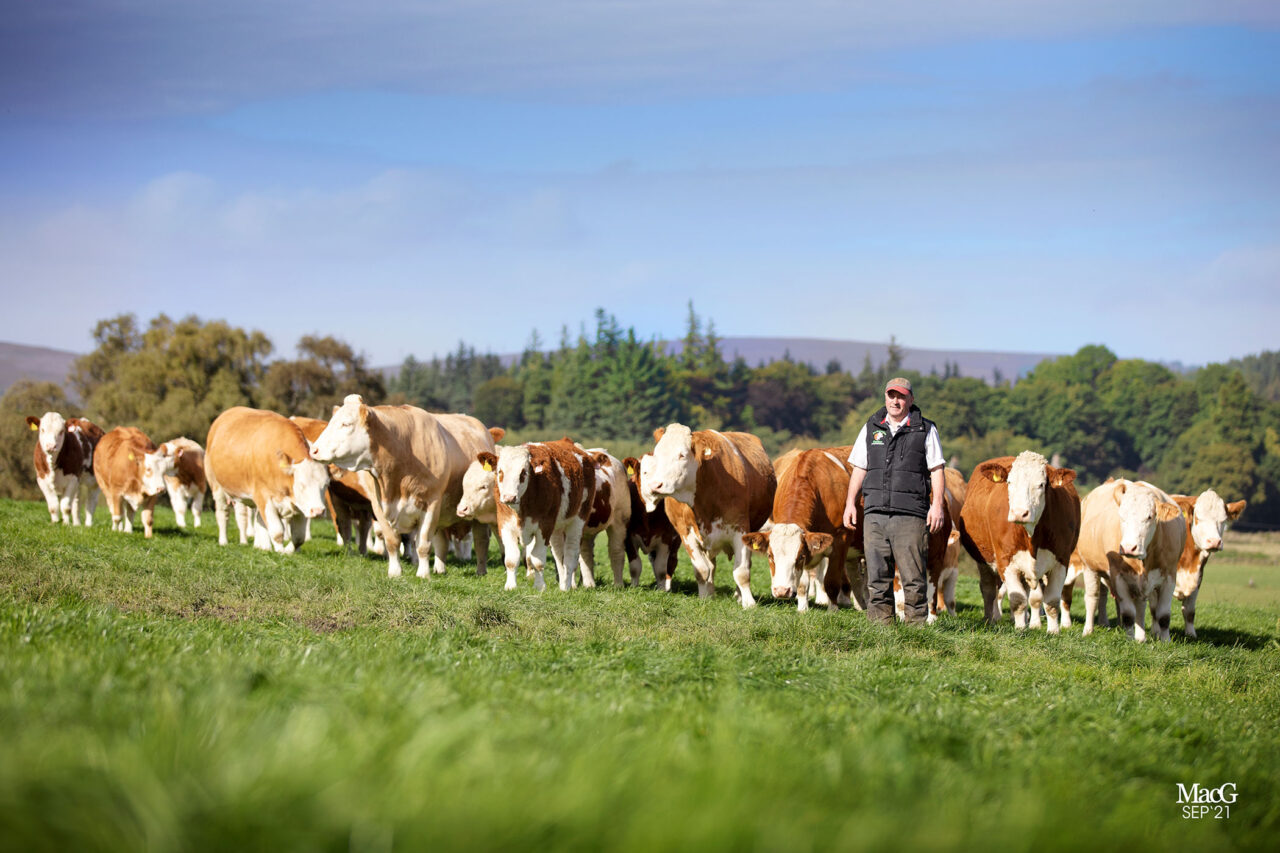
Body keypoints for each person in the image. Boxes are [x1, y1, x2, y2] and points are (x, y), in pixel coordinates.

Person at [841, 377, 946, 625]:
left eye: (901, 396)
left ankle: (915, 631)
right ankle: (881, 630)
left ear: (910, 399)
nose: (895, 401)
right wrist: (850, 503)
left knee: (913, 577)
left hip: (910, 514)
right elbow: (859, 467)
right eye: (891, 395)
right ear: (885, 398)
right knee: (876, 576)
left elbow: (937, 469)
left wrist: (937, 505)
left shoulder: (925, 429)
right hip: (875, 512)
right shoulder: (872, 427)